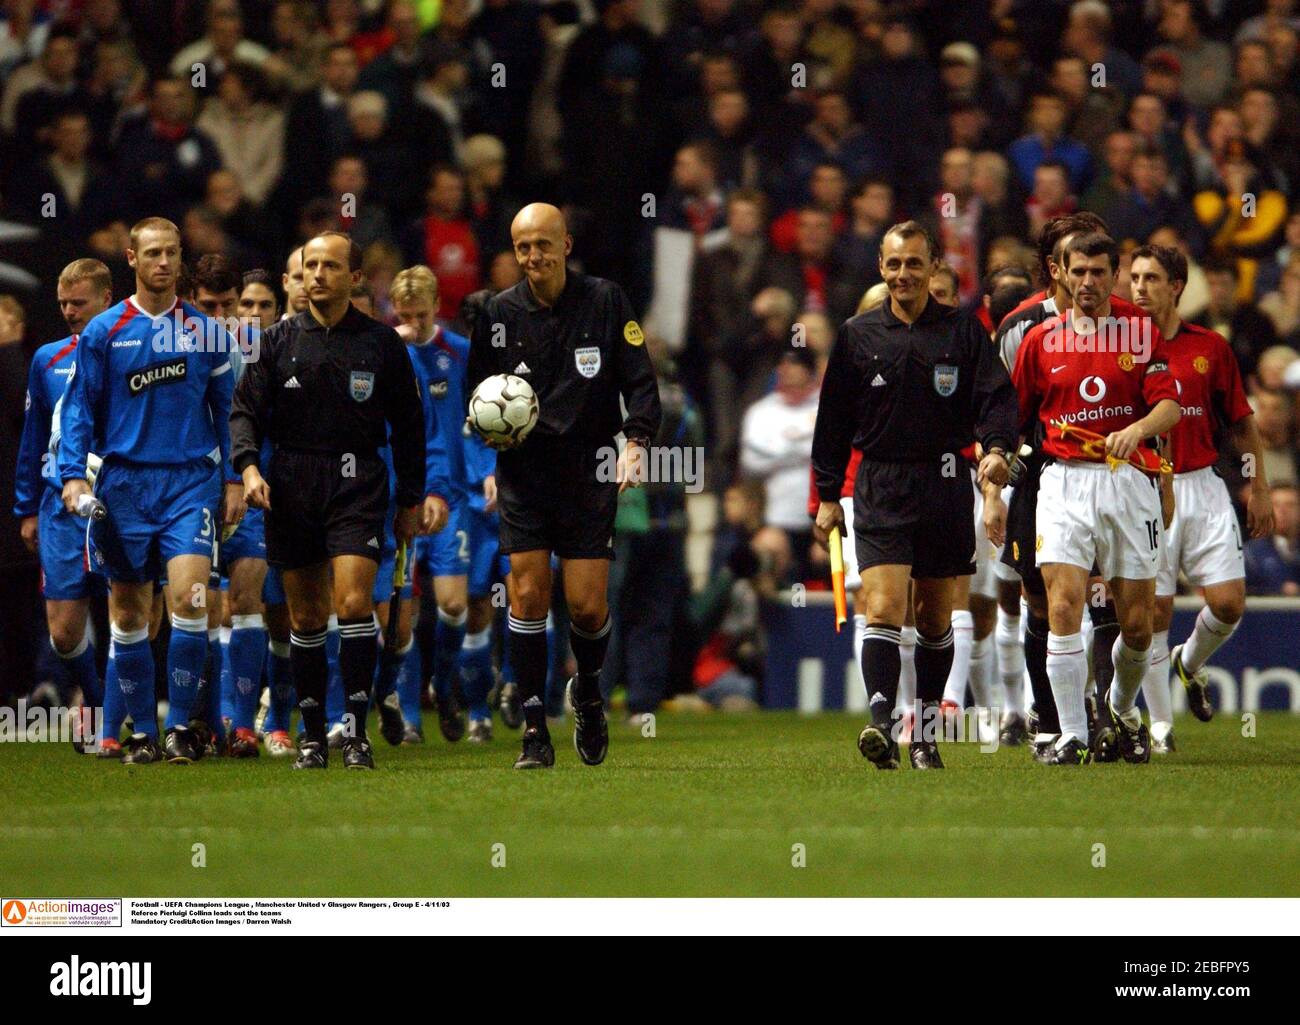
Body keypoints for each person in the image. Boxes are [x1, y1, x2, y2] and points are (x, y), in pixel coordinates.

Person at [230, 231, 445, 770]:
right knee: (304, 617)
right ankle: (309, 735)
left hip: (358, 481)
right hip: (292, 483)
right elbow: (244, 414)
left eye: (330, 266)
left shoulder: (381, 344)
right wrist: (249, 467)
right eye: (310, 266)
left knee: (351, 605)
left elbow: (410, 427)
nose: (318, 275)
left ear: (354, 278)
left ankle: (354, 733)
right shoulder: (274, 342)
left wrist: (412, 499)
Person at [810, 220, 1018, 771]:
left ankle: (924, 734)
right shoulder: (857, 335)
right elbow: (831, 422)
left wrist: (996, 448)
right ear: (881, 267)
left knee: (932, 617)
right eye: (894, 264)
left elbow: (996, 400)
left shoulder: (964, 332)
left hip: (946, 482)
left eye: (914, 264)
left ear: (931, 268)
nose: (903, 274)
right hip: (879, 484)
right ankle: (882, 721)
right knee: (882, 604)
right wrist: (828, 496)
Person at [464, 202, 661, 770]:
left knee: (587, 607)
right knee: (526, 596)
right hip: (524, 474)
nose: (533, 257)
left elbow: (640, 383)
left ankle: (591, 693)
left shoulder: (605, 301)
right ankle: (533, 729)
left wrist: (636, 443)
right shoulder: (498, 314)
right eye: (523, 247)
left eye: (543, 245)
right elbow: (477, 398)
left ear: (566, 246)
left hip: (588, 472)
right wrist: (488, 454)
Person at [57, 217, 245, 766]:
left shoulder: (208, 333)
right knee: (129, 615)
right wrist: (71, 474)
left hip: (189, 483)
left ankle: (181, 727)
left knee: (190, 600)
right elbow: (78, 413)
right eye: (154, 254)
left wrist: (233, 477)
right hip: (124, 488)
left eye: (173, 253)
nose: (164, 262)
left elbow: (228, 412)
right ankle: (139, 731)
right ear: (131, 259)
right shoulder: (104, 332)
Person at [1009, 232, 1181, 766]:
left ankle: (1122, 709)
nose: (1087, 282)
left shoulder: (1138, 331)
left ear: (1114, 274)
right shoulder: (1039, 340)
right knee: (1062, 604)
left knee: (1136, 623)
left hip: (1128, 480)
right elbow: (1013, 419)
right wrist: (996, 464)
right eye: (1077, 271)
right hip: (1063, 481)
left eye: (1099, 272)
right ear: (1059, 272)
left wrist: (1139, 430)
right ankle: (1072, 735)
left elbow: (1171, 407)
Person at [1129, 245, 1273, 752]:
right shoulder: (1121, 345)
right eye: (1135, 278)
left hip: (1204, 486)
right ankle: (1162, 728)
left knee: (1230, 603)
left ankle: (1187, 663)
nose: (1140, 287)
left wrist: (1258, 485)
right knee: (1154, 614)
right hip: (1146, 488)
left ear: (1177, 286)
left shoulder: (1210, 347)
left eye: (1152, 279)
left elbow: (1241, 421)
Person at [13, 259, 113, 753]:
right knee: (64, 631)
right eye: (64, 305)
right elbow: (34, 439)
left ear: (106, 300)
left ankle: (114, 715)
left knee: (133, 615)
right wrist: (26, 507)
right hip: (59, 506)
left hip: (121, 498)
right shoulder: (47, 359)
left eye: (80, 303)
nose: (71, 313)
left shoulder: (132, 353)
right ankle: (93, 699)